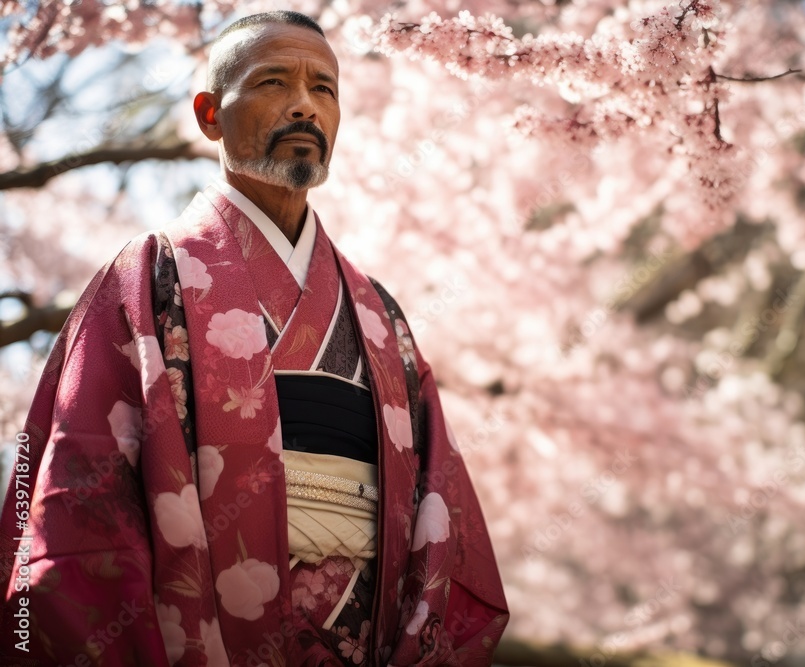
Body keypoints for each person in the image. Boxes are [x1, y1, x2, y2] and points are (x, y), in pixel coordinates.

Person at [0, 11, 508, 666]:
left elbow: (441, 510)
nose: (305, 106)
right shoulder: (146, 280)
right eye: (274, 81)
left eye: (324, 89)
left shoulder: (379, 314)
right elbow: (78, 496)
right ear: (210, 114)